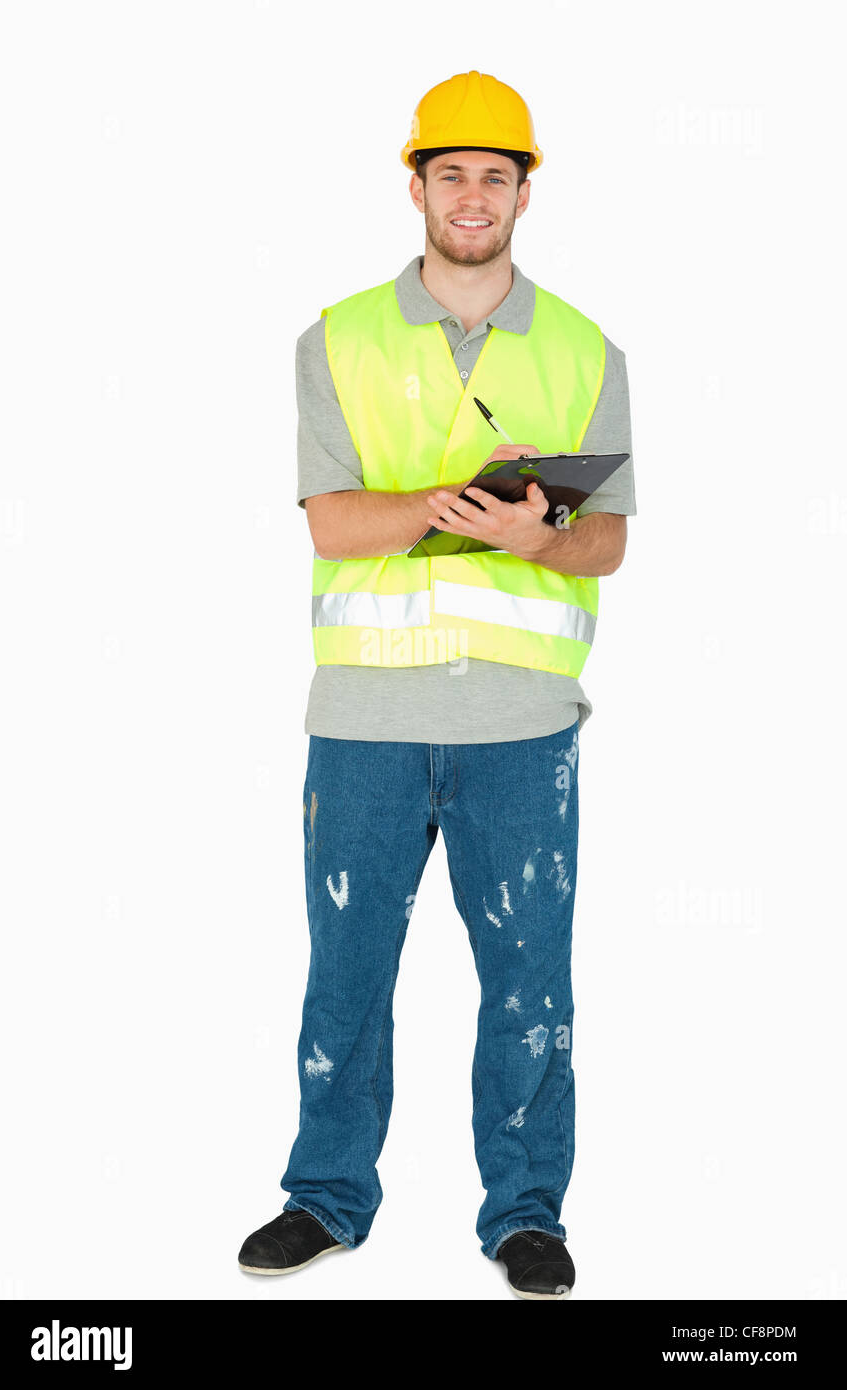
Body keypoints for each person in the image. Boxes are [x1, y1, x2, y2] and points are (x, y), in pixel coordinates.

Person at [238, 70, 636, 1300]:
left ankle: (523, 1214)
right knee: (345, 970)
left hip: (521, 727)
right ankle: (324, 1198)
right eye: (451, 174)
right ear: (415, 185)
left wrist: (536, 542)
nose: (473, 196)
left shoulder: (584, 349)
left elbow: (609, 537)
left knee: (528, 979)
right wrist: (448, 503)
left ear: (525, 191)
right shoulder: (337, 339)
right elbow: (330, 525)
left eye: (495, 176)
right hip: (363, 722)